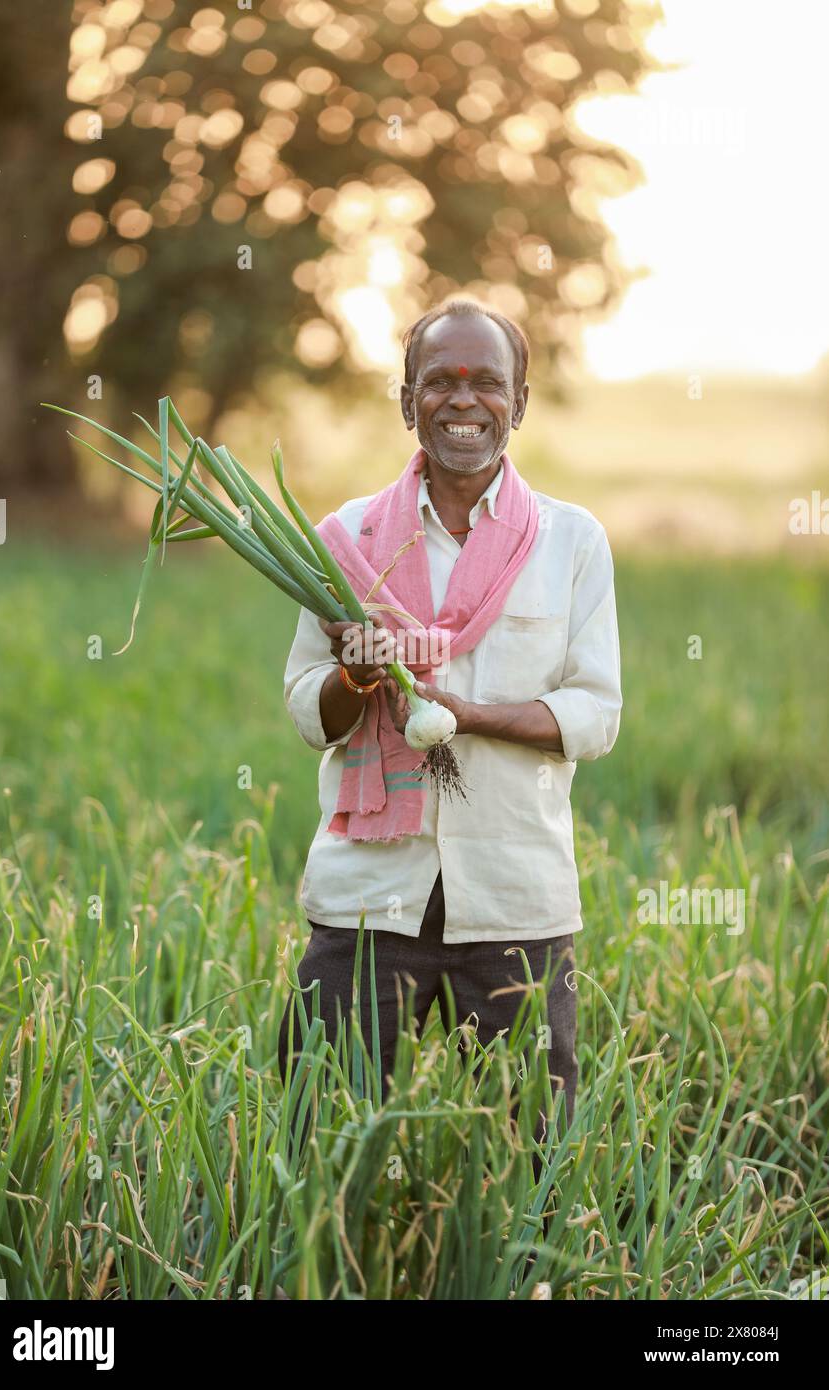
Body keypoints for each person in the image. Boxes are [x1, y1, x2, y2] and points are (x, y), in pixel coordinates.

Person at [278, 299, 622, 1144]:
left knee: (531, 1154)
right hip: (368, 898)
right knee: (319, 1135)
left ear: (520, 403)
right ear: (407, 403)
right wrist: (358, 677)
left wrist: (469, 715)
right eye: (440, 381)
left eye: (486, 383)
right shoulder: (343, 538)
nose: (463, 401)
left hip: (516, 899)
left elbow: (595, 712)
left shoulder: (571, 542)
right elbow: (305, 706)